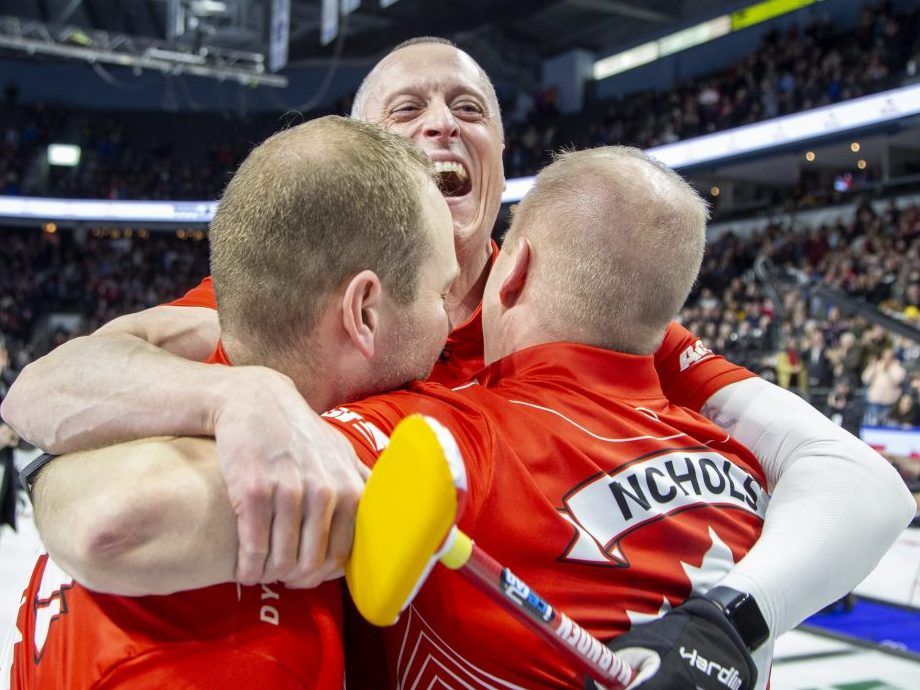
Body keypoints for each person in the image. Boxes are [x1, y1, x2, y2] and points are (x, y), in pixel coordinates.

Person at [2, 36, 915, 683]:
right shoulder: (311, 293)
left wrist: (725, 622)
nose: (442, 124)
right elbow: (50, 388)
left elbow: (854, 477)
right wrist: (236, 396)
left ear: (504, 162)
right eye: (408, 109)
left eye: (467, 107)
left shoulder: (570, 315)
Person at [4, 115, 459, 690]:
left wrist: (49, 467)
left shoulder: (172, 378)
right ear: (363, 312)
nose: (450, 320)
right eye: (442, 294)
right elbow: (106, 521)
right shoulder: (250, 651)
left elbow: (48, 391)